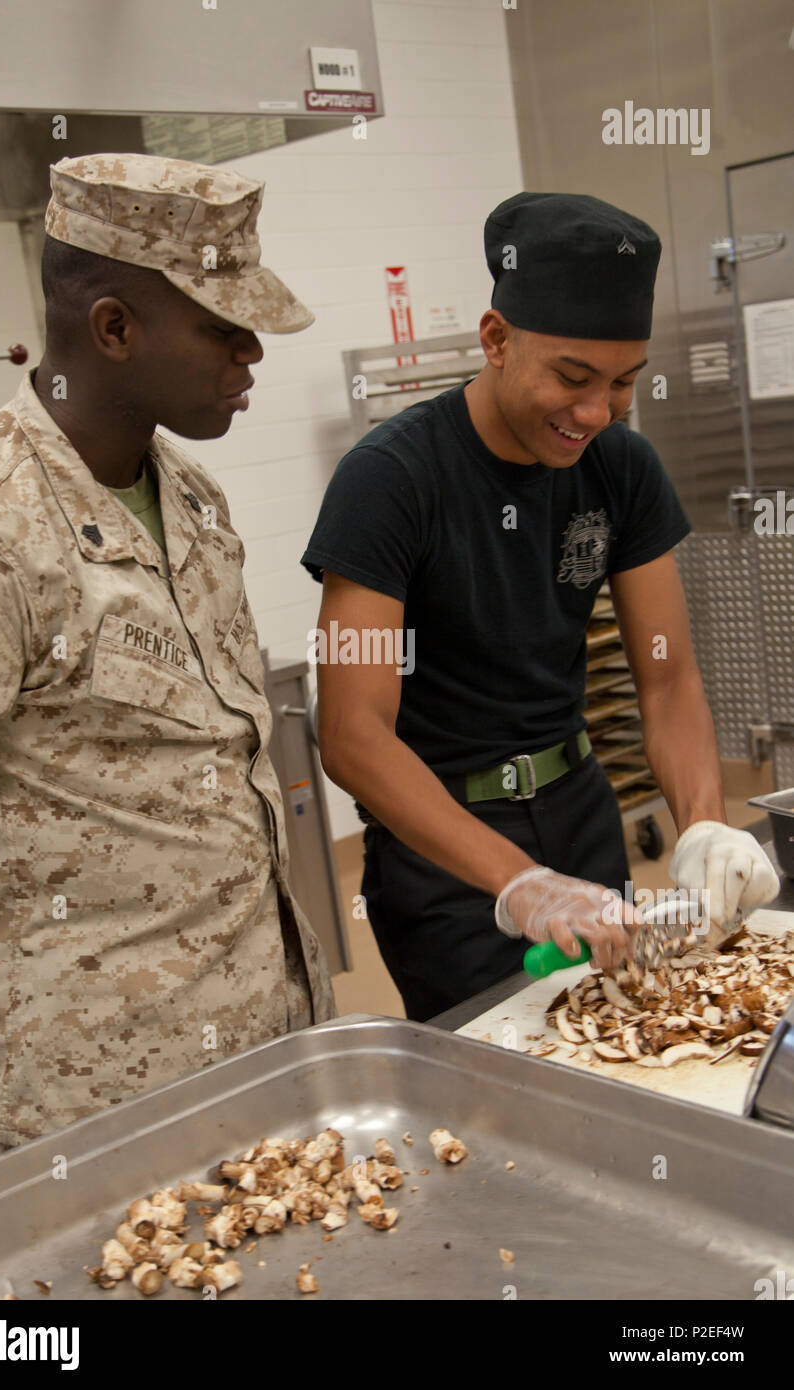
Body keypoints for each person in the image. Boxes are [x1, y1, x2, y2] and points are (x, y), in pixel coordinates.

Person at [0, 153, 335, 1161]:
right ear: (113, 328)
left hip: (261, 1039)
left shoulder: (194, 498)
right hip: (89, 1102)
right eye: (221, 326)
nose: (250, 352)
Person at [301, 191, 779, 1022]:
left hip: (581, 816)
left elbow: (666, 681)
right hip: (445, 852)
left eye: (623, 383)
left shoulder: (621, 471)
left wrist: (705, 826)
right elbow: (352, 733)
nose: (595, 413)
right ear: (496, 340)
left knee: (629, 1046)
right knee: (510, 1089)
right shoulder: (391, 481)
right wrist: (518, 883)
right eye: (572, 377)